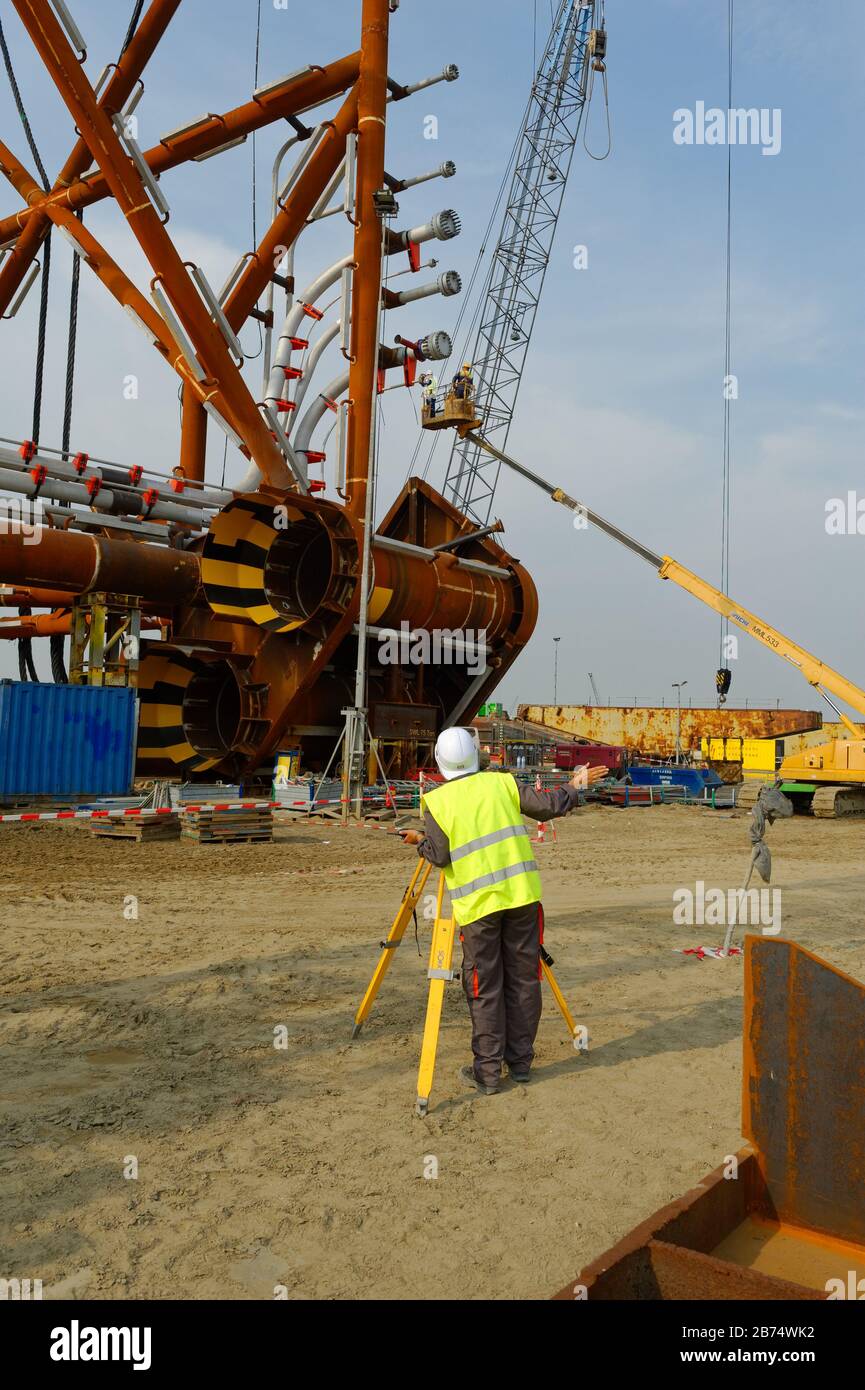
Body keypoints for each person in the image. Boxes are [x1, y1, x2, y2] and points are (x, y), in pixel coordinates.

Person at [400, 727, 605, 1095]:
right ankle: (521, 1064)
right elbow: (549, 806)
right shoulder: (503, 784)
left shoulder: (438, 801)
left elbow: (440, 855)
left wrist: (420, 843)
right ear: (475, 754)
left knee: (484, 986)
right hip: (522, 899)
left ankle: (488, 1074)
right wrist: (575, 785)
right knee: (524, 979)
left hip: (479, 909)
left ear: (441, 762)